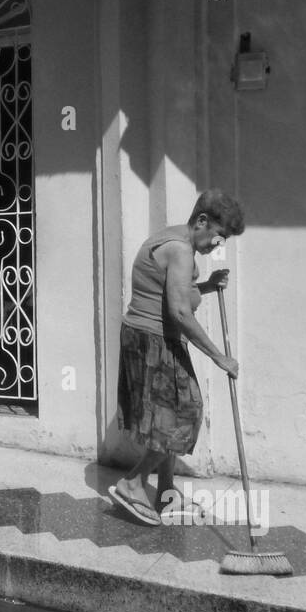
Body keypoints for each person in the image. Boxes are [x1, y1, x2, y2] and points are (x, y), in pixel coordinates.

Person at [108, 189, 244, 525]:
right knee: (183, 416)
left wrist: (208, 285)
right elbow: (181, 311)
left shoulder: (170, 237)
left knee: (165, 418)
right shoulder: (182, 251)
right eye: (218, 236)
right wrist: (219, 357)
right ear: (201, 221)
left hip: (149, 337)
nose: (218, 245)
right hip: (155, 340)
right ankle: (132, 483)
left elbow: (172, 290)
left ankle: (166, 492)